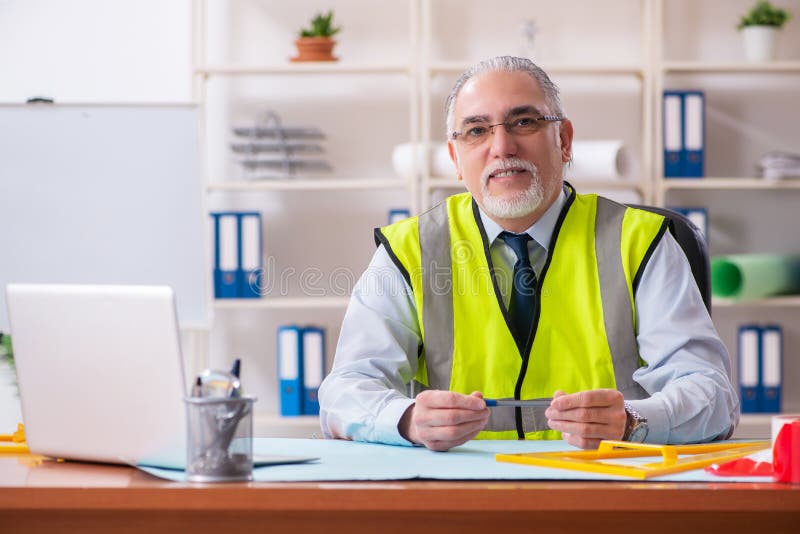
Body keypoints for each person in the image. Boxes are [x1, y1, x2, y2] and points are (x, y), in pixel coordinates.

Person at [319, 56, 738, 452]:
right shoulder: (409, 251)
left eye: (524, 122)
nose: (502, 147)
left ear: (565, 139)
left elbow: (713, 396)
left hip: (609, 493)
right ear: (455, 159)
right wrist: (407, 419)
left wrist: (634, 420)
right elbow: (344, 393)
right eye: (477, 130)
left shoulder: (640, 241)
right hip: (461, 501)